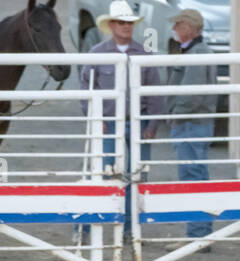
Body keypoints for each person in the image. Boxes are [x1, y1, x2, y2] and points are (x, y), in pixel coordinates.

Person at [78, 1, 164, 227]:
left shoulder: (145, 54)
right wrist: (96, 119)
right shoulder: (97, 53)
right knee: (105, 172)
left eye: (129, 23)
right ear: (112, 25)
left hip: (139, 121)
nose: (127, 27)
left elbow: (155, 93)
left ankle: (128, 225)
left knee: (137, 175)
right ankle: (90, 222)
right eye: (122, 23)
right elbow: (87, 90)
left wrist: (152, 125)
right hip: (109, 122)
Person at [165, 8, 215, 242]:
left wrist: (175, 114)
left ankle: (197, 235)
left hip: (190, 124)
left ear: (190, 28)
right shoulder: (198, 51)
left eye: (178, 25)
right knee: (195, 177)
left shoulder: (196, 53)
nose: (174, 29)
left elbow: (191, 96)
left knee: (192, 178)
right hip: (194, 123)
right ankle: (198, 234)